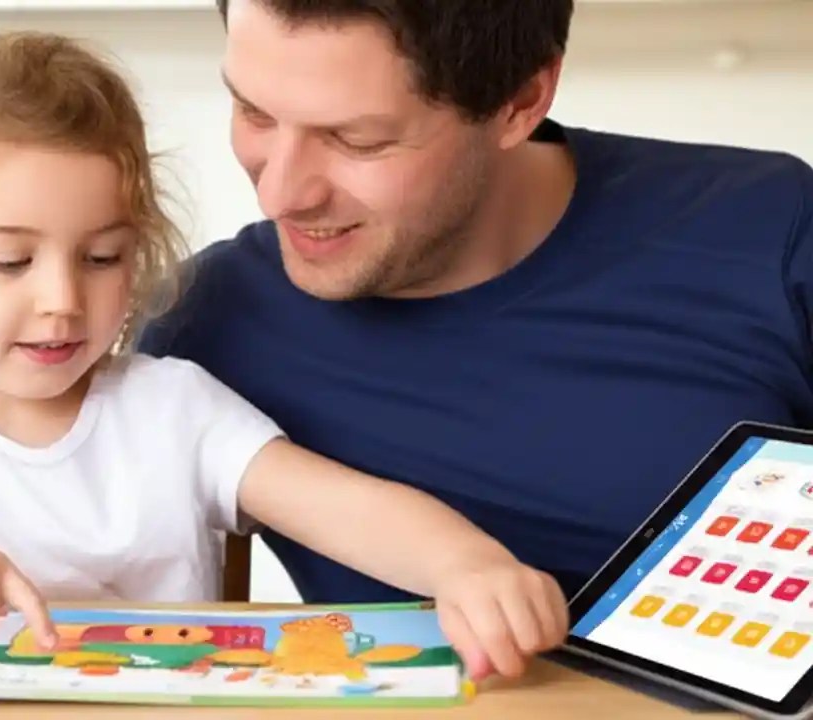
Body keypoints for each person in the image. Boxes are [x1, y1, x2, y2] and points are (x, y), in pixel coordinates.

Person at [0, 30, 567, 681]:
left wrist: (465, 567)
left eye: (103, 257)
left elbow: (347, 508)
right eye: (9, 259)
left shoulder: (172, 409)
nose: (61, 298)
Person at [138, 0, 813, 607]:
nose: (281, 193)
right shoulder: (203, 324)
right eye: (254, 112)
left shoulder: (772, 232)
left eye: (357, 140)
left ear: (520, 101)